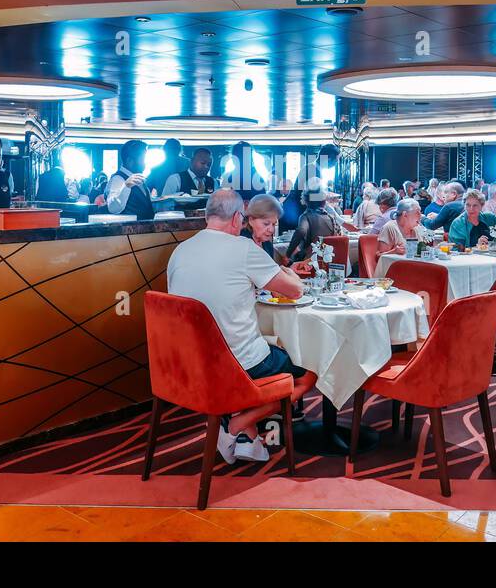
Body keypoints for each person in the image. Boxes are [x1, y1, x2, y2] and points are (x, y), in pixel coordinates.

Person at [166, 189, 315, 463]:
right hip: (236, 364)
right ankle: (234, 426)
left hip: (187, 364)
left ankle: (250, 438)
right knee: (307, 373)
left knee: (255, 349)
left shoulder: (179, 251)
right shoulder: (243, 248)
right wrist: (282, 270)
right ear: (238, 218)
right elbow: (295, 291)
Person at [105, 139, 156, 221]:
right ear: (130, 161)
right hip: (131, 231)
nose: (145, 163)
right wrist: (126, 186)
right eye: (142, 159)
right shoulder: (118, 179)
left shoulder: (136, 177)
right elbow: (112, 208)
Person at [285, 186, 337, 264]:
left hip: (309, 261)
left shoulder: (306, 217)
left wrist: (288, 254)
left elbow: (301, 231)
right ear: (323, 202)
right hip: (329, 260)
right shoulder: (331, 218)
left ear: (306, 201)